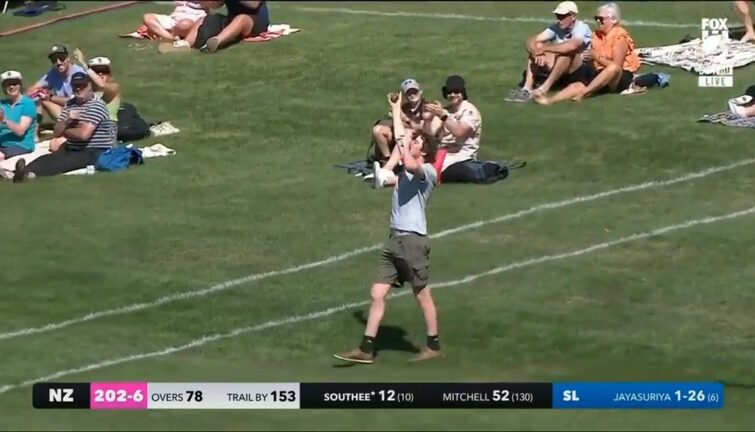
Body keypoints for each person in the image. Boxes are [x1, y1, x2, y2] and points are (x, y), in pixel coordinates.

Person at [335, 91, 442, 364]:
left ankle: (433, 345)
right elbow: (388, 178)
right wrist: (395, 110)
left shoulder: (426, 172)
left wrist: (403, 148)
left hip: (413, 241)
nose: (412, 141)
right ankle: (366, 348)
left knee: (422, 294)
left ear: (425, 149)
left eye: (417, 140)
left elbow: (408, 161)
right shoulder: (407, 173)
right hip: (395, 241)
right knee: (377, 293)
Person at [13, 72, 116, 182]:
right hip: (74, 148)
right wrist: (67, 120)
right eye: (76, 86)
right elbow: (57, 133)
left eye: (82, 86)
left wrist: (66, 131)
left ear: (89, 86)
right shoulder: (70, 104)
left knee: (64, 162)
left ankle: (29, 175)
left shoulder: (95, 105)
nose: (78, 89)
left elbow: (83, 135)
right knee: (47, 158)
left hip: (94, 151)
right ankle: (23, 171)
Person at [535, 2, 641, 105]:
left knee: (612, 68)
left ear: (614, 20)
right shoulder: (596, 35)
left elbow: (617, 66)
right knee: (577, 85)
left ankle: (584, 93)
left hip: (619, 78)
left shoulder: (620, 37)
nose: (598, 21)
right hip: (600, 73)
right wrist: (586, 57)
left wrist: (596, 57)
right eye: (596, 18)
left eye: (601, 19)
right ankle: (550, 101)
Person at [506, 1, 593, 102]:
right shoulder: (556, 28)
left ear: (573, 16)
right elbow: (531, 40)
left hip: (580, 69)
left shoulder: (582, 28)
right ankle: (526, 89)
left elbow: (573, 45)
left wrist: (544, 49)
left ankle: (543, 89)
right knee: (537, 46)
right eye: (558, 16)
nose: (559, 20)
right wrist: (536, 51)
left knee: (566, 53)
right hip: (560, 66)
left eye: (563, 16)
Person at [371, 78, 432, 166]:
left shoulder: (427, 107)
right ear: (404, 95)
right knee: (378, 130)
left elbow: (421, 128)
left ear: (420, 91)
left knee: (406, 133)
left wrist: (405, 119)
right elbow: (395, 123)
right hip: (401, 135)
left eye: (414, 91)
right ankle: (387, 160)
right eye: (409, 92)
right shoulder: (403, 107)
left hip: (419, 140)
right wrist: (395, 112)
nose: (412, 94)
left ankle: (395, 163)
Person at [26, 45, 86, 122]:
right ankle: (34, 131)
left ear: (68, 58)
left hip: (82, 113)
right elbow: (33, 89)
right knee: (38, 97)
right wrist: (32, 95)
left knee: (43, 97)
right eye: (54, 60)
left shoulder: (79, 74)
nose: (58, 62)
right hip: (66, 111)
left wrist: (50, 97)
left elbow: (75, 100)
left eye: (61, 58)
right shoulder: (53, 73)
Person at [0, 71, 37, 161]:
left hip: (21, 145)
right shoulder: (2, 104)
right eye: (8, 85)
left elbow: (20, 131)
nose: (11, 87)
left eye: (14, 84)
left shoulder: (27, 104)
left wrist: (4, 120)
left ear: (20, 85)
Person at [142, 1, 208, 41]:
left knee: (184, 24)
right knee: (147, 17)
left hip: (194, 16)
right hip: (175, 17)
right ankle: (171, 38)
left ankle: (165, 34)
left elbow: (214, 5)